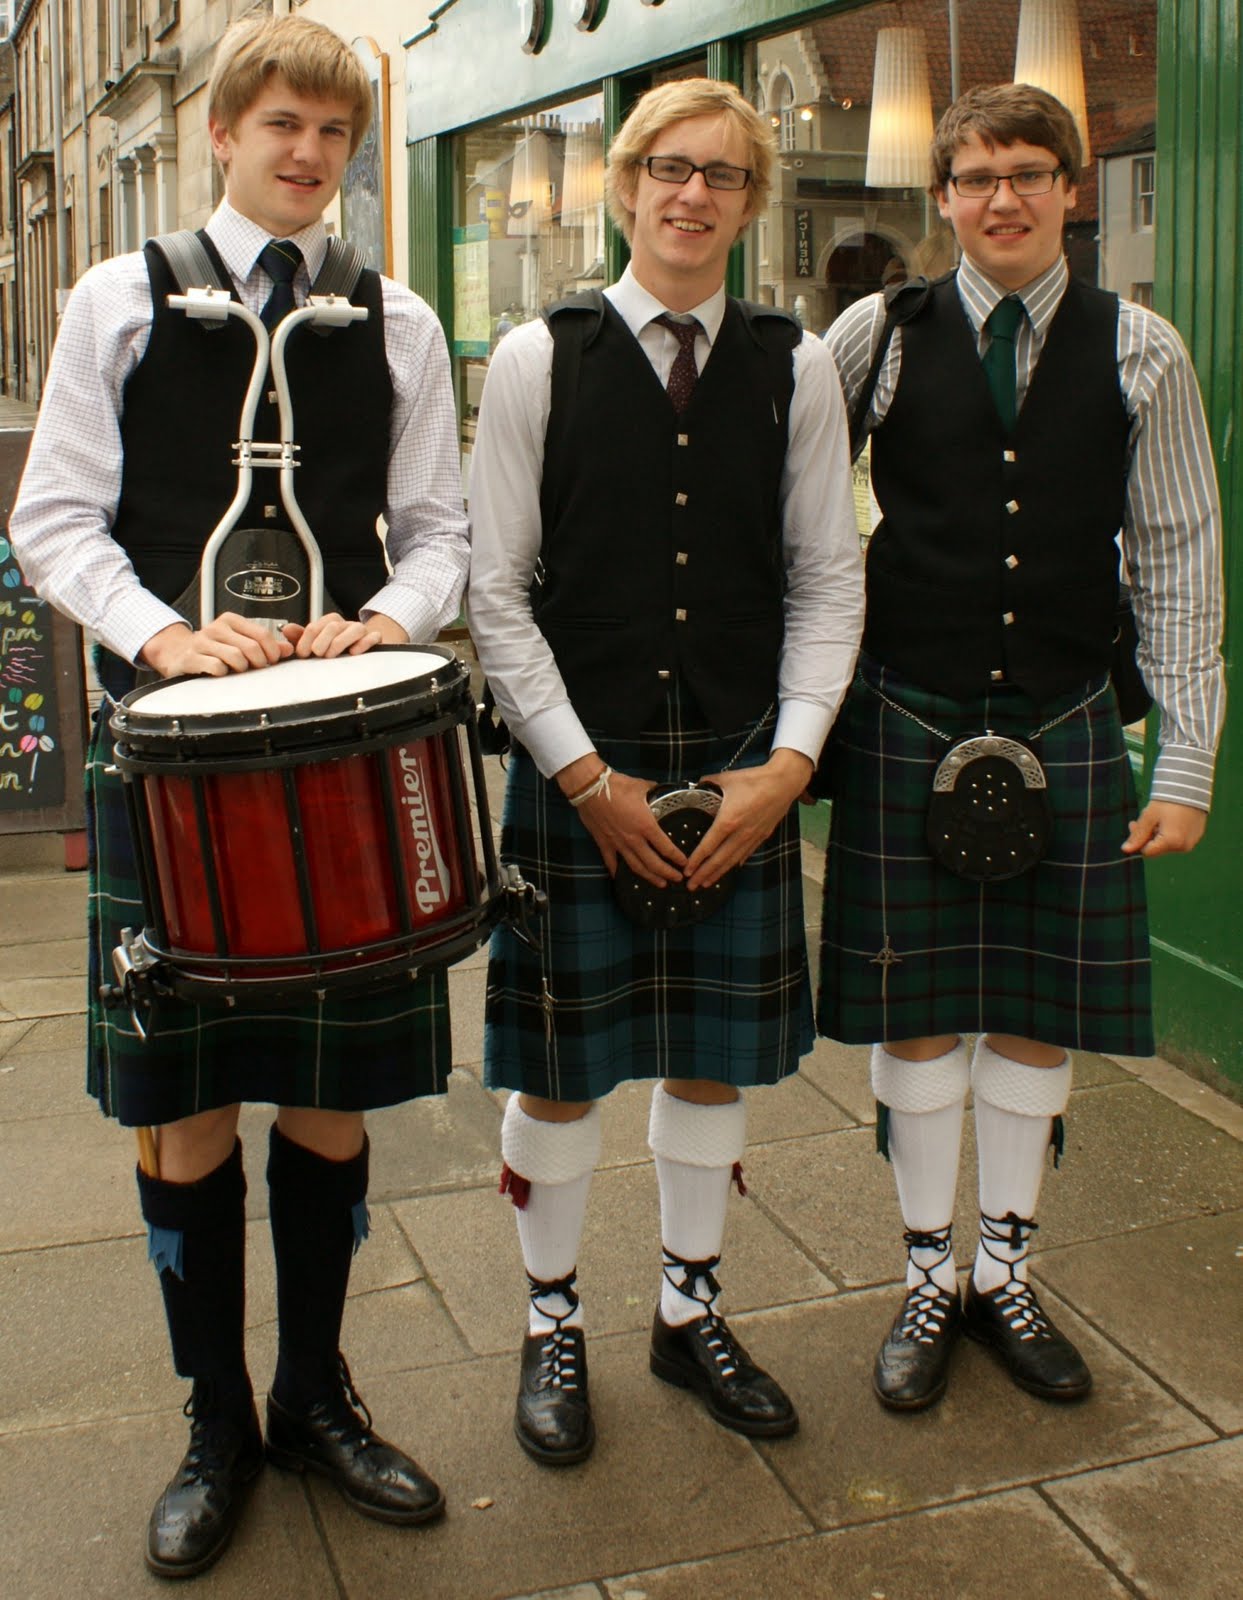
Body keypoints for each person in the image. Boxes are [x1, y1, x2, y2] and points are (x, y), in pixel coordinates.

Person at [10, 15, 468, 1580]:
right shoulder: (113, 300)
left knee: (330, 1094)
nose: (305, 153)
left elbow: (442, 532)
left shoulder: (394, 318)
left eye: (331, 134)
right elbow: (53, 522)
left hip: (340, 757)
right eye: (279, 123)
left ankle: (319, 1396)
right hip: (173, 760)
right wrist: (161, 633)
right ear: (222, 130)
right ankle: (216, 1421)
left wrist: (394, 618)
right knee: (187, 1110)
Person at [467, 78, 863, 1465]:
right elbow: (495, 595)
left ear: (750, 202)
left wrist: (790, 766)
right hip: (588, 766)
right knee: (566, 1071)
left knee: (710, 1064)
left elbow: (828, 580)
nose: (692, 195)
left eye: (723, 175)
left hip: (741, 767)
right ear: (625, 187)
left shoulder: (795, 364)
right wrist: (581, 780)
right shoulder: (538, 358)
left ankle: (689, 1312)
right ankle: (550, 1321)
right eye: (667, 169)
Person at [817, 84, 1224, 1413]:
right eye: (977, 175)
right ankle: (928, 1272)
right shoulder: (874, 336)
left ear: (1074, 186)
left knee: (1036, 1023)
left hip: (1066, 716)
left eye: (1030, 172)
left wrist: (1185, 760)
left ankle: (1006, 1269)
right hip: (906, 711)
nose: (1003, 197)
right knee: (921, 1018)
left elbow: (1177, 563)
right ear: (942, 196)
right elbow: (800, 531)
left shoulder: (1142, 351)